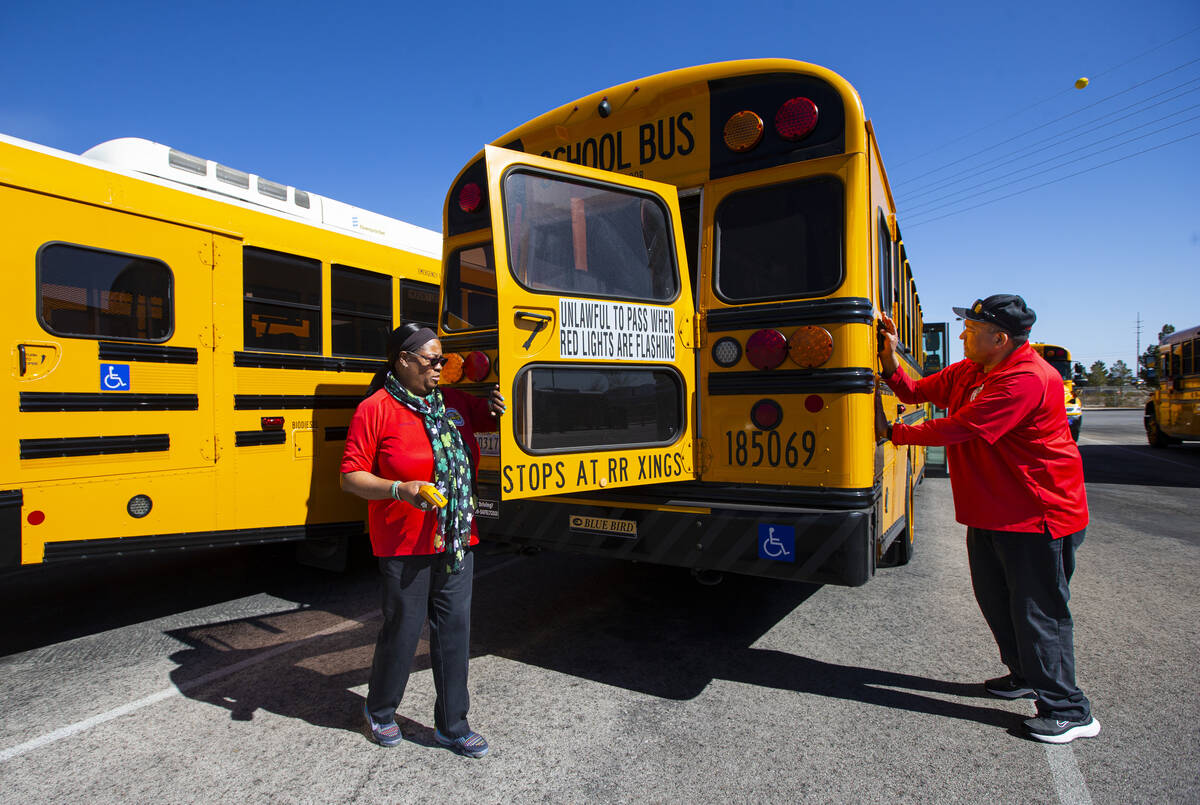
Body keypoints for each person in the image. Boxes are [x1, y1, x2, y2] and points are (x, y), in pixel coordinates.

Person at [875, 294, 1099, 744]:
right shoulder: (972, 370)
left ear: (999, 339)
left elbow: (966, 426)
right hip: (994, 512)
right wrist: (888, 357)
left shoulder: (1027, 378)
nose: (962, 335)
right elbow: (917, 391)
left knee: (1039, 612)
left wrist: (895, 433)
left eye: (971, 330)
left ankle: (1069, 709)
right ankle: (1024, 675)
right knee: (997, 601)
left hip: (1037, 516)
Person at [341, 323, 505, 756]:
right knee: (403, 630)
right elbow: (350, 476)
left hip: (455, 537)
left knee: (454, 631)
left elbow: (493, 417)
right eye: (433, 359)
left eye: (443, 359)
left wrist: (500, 403)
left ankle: (453, 725)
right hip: (404, 542)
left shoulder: (452, 402)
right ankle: (379, 712)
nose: (441, 366)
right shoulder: (374, 409)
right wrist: (401, 489)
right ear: (403, 360)